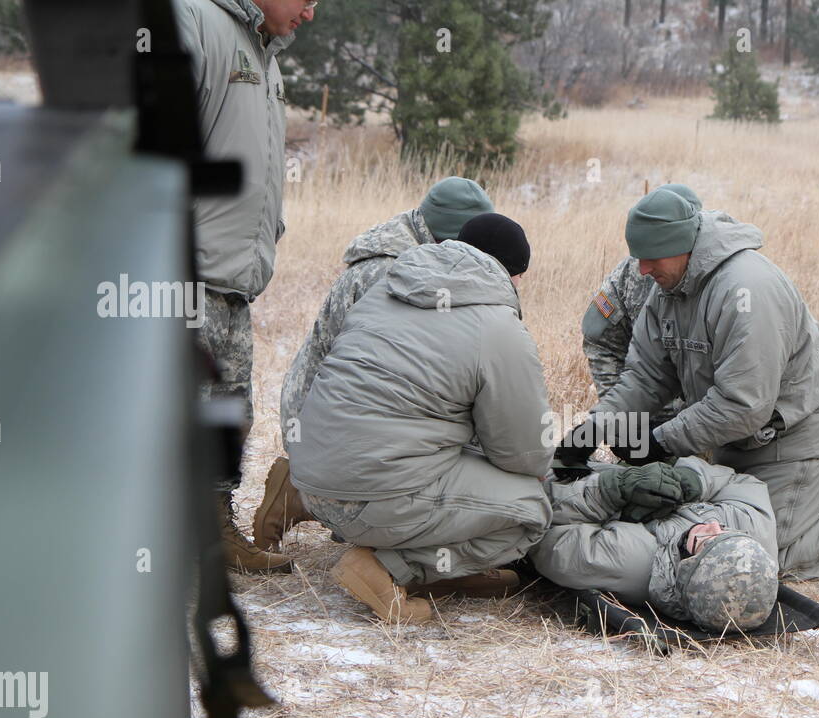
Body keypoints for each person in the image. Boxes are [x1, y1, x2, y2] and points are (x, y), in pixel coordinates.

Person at [557, 189, 819, 579]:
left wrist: (660, 442)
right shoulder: (670, 291)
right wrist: (593, 430)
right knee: (702, 520)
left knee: (752, 554)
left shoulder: (745, 289)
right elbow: (644, 377)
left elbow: (742, 405)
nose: (642, 270)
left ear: (682, 246)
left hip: (797, 442)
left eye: (651, 257)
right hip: (741, 444)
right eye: (638, 258)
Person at [286, 214, 553, 624]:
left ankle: (440, 571)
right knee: (531, 508)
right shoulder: (499, 330)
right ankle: (392, 568)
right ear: (514, 275)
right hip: (369, 499)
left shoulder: (386, 289)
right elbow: (525, 457)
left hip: (311, 482)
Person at [253, 177, 494, 553]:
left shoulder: (415, 257)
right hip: (329, 428)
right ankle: (314, 498)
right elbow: (407, 385)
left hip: (332, 421)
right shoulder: (395, 275)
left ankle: (323, 499)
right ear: (449, 238)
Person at [175, 0, 316, 572]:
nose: (311, 13)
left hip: (233, 278)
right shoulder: (193, 22)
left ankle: (213, 532)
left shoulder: (266, 57)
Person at [530, 459, 780, 633]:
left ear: (686, 567)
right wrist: (690, 480)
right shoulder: (752, 530)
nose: (714, 526)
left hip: (560, 477)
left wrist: (613, 490)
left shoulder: (627, 561)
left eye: (706, 542)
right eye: (725, 532)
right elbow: (743, 483)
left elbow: (541, 526)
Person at [580, 183, 704, 429]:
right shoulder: (636, 275)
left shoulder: (717, 278)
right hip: (635, 387)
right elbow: (600, 339)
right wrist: (621, 421)